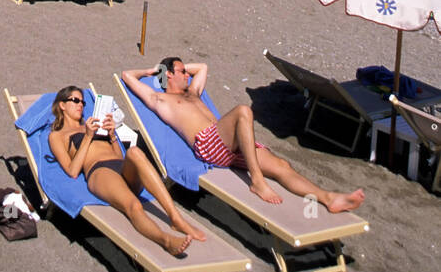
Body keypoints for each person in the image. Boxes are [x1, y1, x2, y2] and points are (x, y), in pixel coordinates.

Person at [121, 60, 366, 211]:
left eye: (186, 71)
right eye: (181, 71)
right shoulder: (160, 99)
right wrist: (154, 70)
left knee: (282, 165)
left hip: (231, 144)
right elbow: (127, 76)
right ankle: (257, 182)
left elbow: (203, 67)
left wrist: (180, 67)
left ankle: (328, 198)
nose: (187, 74)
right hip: (208, 145)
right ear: (168, 76)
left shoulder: (194, 92)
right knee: (242, 111)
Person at [49, 86, 205, 257]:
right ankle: (166, 240)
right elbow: (72, 171)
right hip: (99, 171)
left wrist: (112, 134)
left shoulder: (94, 125)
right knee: (134, 205)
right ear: (62, 105)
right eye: (75, 100)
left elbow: (117, 155)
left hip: (119, 165)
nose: (81, 105)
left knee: (135, 152)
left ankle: (176, 218)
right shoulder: (57, 136)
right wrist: (87, 136)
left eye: (82, 102)